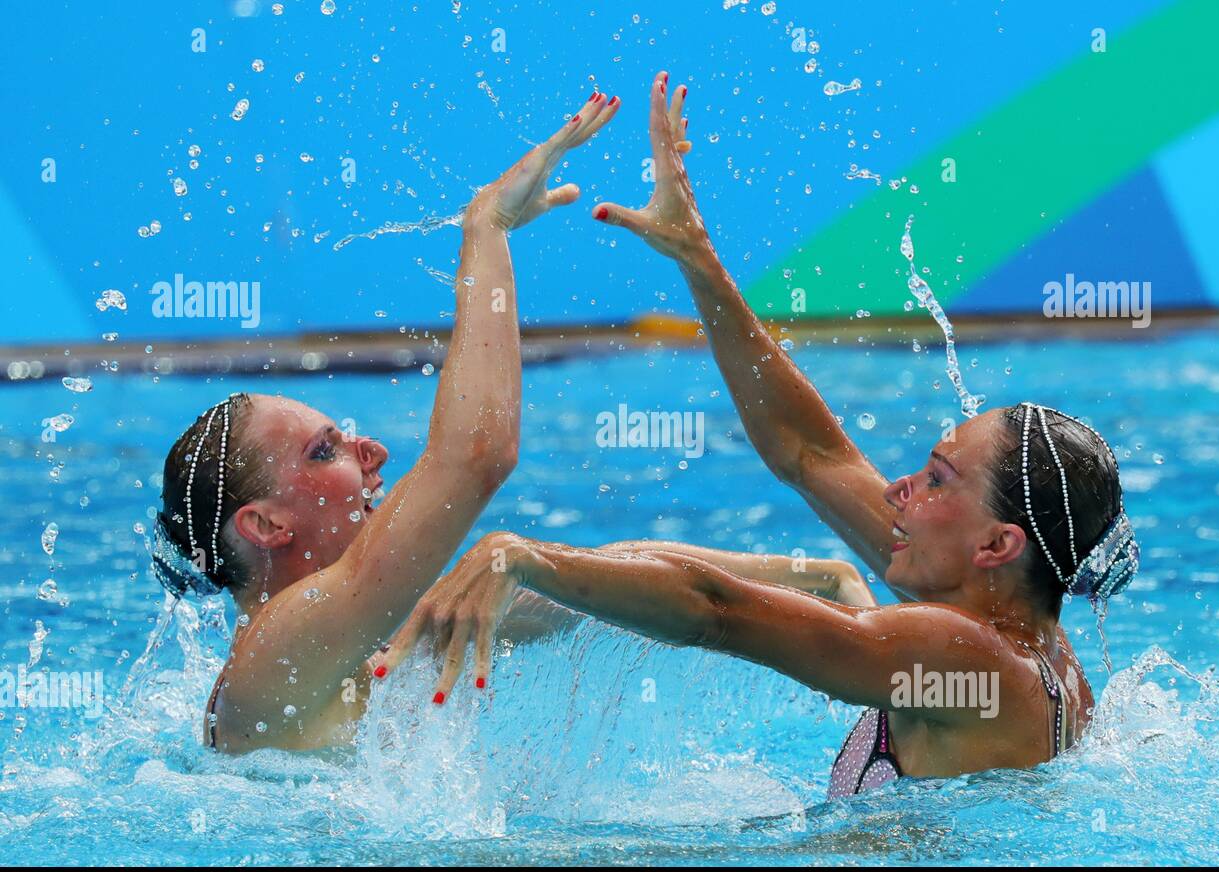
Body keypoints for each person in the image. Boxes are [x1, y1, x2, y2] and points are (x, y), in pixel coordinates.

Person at [412, 72, 1140, 795]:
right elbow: (809, 452)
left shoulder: (968, 662)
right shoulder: (1032, 640)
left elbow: (719, 612)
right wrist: (697, 257)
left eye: (936, 479)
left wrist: (523, 557)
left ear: (995, 545)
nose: (897, 488)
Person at [150, 90, 872, 754]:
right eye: (325, 450)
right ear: (266, 526)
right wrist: (487, 227)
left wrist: (815, 580)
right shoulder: (277, 650)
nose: (370, 449)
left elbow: (599, 579)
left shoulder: (380, 630)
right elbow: (476, 455)